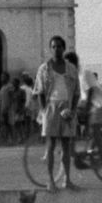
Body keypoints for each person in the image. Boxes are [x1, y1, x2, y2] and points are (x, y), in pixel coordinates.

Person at [35, 34, 80, 191]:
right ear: (50, 49)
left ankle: (67, 180)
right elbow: (39, 92)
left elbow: (76, 93)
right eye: (53, 47)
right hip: (51, 107)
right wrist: (44, 110)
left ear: (64, 48)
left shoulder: (71, 69)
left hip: (67, 108)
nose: (56, 49)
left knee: (67, 146)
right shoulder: (43, 69)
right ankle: (50, 181)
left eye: (59, 46)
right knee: (51, 145)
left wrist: (73, 110)